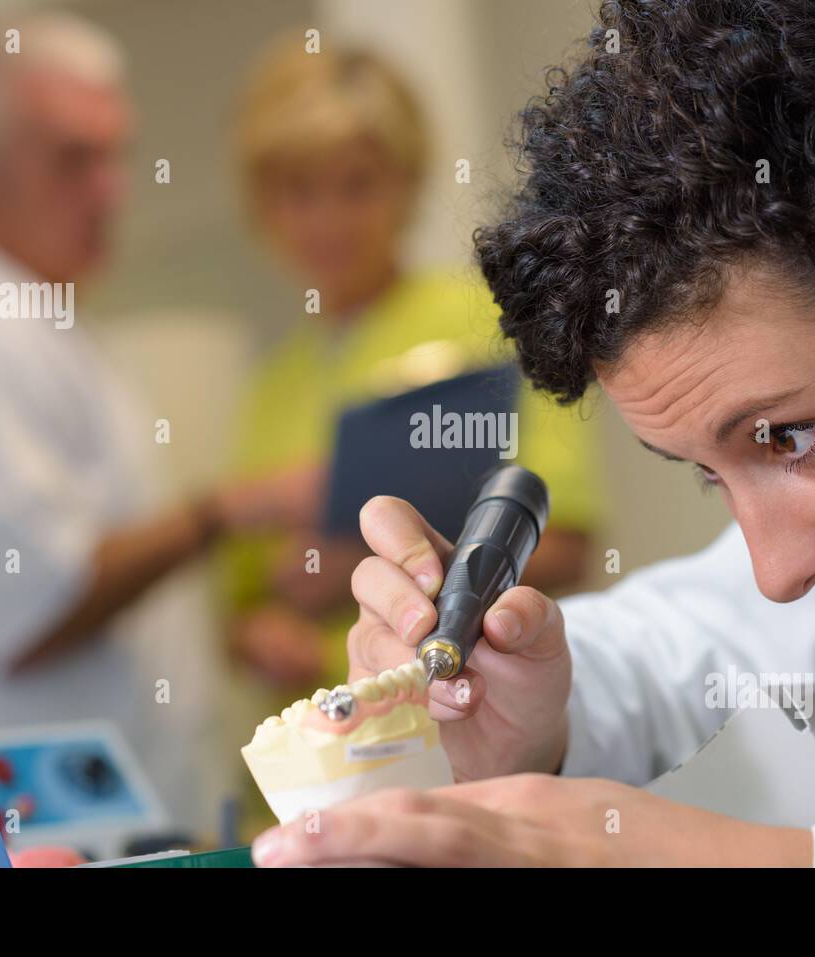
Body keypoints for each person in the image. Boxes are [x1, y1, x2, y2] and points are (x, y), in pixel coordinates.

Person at [248, 0, 815, 866]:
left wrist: (758, 860)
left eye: (788, 438)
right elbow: (713, 641)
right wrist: (525, 699)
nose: (778, 572)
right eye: (710, 475)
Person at [0, 13, 299, 836]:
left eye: (115, 154)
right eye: (73, 158)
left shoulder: (40, 323)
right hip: (35, 832)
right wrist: (221, 513)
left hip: (113, 821)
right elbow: (37, 604)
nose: (112, 189)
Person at [216, 40, 604, 695]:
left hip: (456, 719)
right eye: (299, 190)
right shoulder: (271, 384)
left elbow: (565, 544)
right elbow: (238, 607)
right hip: (312, 753)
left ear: (408, 181)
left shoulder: (483, 318)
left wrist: (355, 569)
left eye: (357, 184)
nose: (328, 218)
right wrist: (259, 632)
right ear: (262, 202)